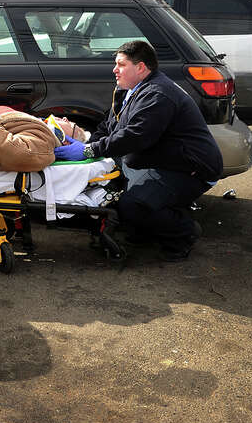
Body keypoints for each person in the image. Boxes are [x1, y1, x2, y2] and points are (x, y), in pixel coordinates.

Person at [54, 40, 222, 261]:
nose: (115, 70)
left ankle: (183, 233)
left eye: (121, 65)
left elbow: (136, 136)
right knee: (113, 192)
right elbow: (109, 126)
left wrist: (90, 151)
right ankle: (144, 229)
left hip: (189, 167)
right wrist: (88, 146)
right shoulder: (128, 91)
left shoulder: (158, 94)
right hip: (159, 160)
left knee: (133, 203)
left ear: (141, 67)